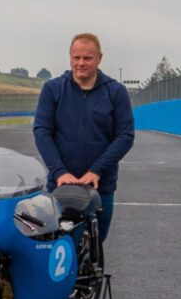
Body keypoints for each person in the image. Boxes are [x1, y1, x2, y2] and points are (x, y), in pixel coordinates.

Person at [32, 32, 135, 246]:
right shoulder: (53, 89)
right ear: (70, 58)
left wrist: (96, 170)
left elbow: (125, 136)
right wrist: (60, 172)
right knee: (58, 246)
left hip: (100, 186)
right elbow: (42, 132)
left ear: (99, 58)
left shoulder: (116, 91)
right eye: (76, 57)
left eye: (87, 58)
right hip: (60, 186)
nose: (81, 63)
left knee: (96, 244)